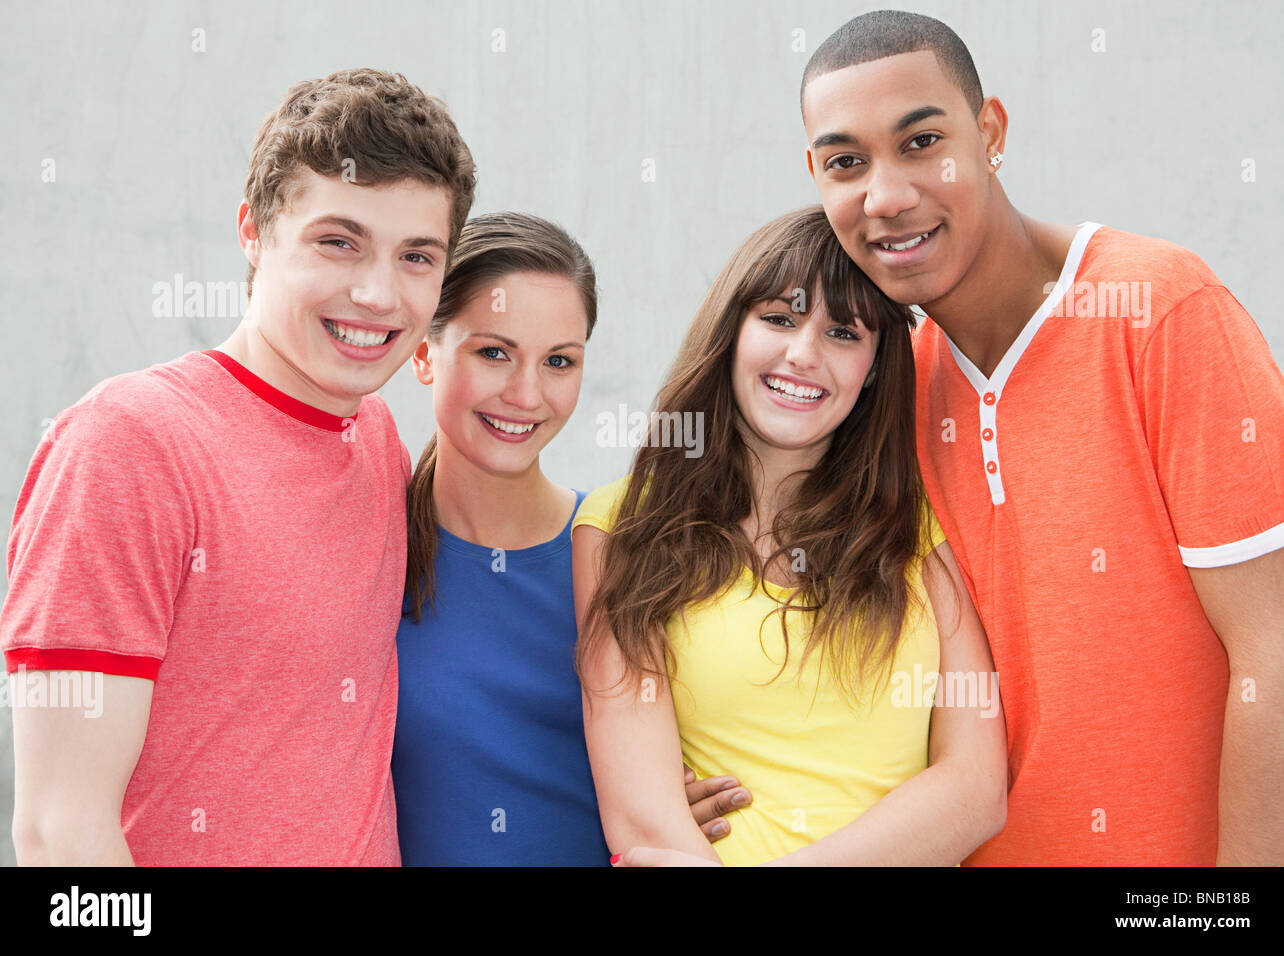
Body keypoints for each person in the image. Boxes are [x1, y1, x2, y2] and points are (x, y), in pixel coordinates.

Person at [799, 10, 1284, 865]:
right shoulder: (885, 388)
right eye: (848, 162)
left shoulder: (1158, 308)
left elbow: (1279, 647)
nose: (885, 196)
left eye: (921, 142)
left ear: (990, 131)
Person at [1, 69, 477, 865]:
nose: (377, 293)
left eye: (416, 257)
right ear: (253, 232)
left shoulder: (378, 438)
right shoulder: (126, 446)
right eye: (338, 241)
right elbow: (59, 832)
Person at [573, 206, 1007, 867]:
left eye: (843, 333)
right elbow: (642, 818)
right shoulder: (621, 526)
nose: (803, 355)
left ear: (874, 367)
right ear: (730, 331)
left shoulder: (914, 529)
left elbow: (975, 790)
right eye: (778, 318)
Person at [393, 212, 751, 865]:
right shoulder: (375, 551)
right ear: (424, 353)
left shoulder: (620, 556)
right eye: (493, 352)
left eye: (559, 361)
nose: (527, 394)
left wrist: (662, 816)